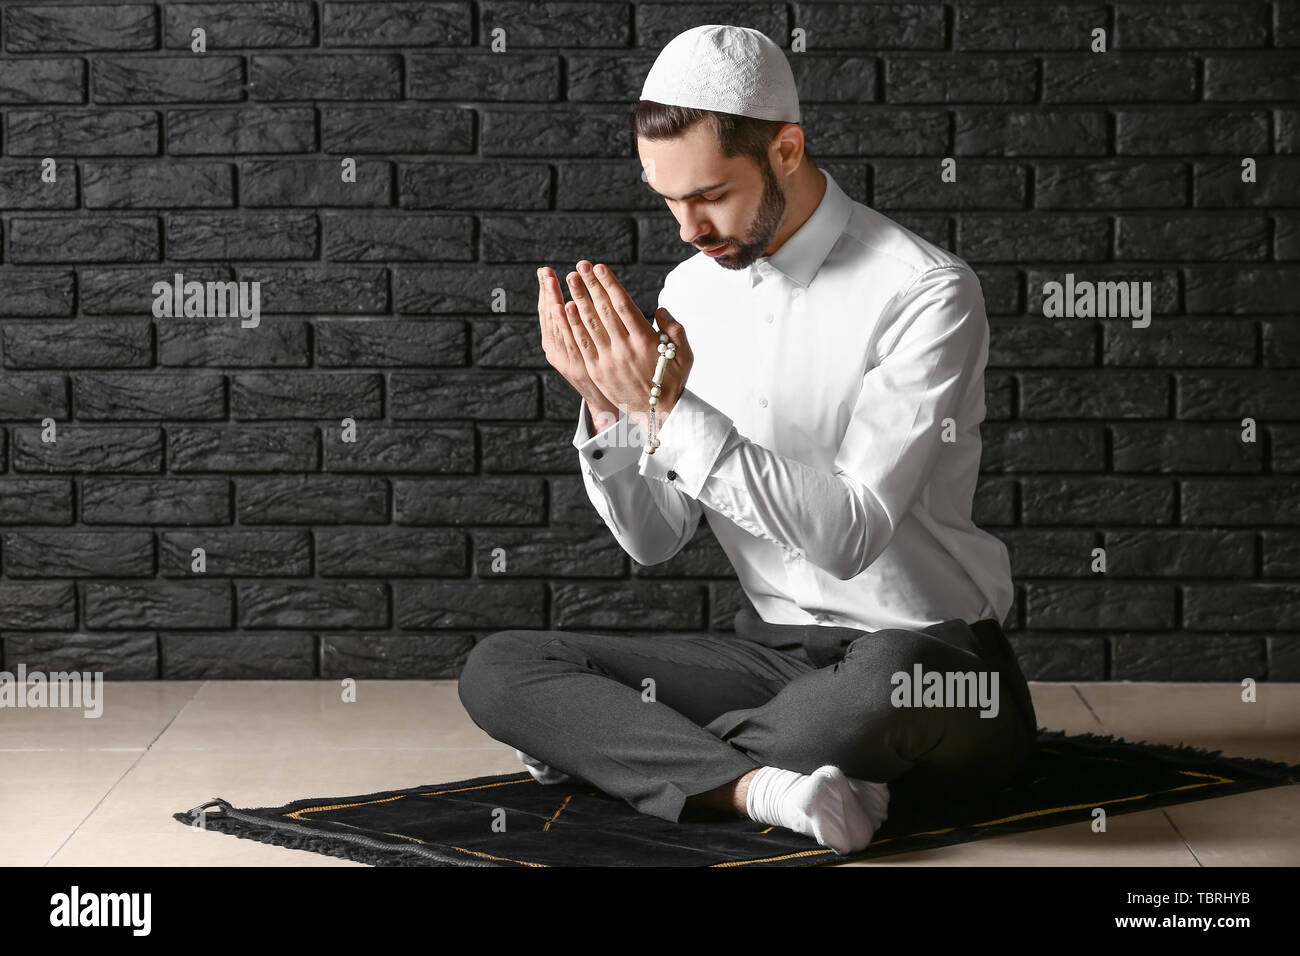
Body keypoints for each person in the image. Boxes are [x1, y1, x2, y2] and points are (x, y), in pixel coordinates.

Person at [457, 23, 1038, 856]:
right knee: (502, 666)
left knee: (880, 690)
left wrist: (666, 410)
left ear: (786, 150)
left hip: (931, 662)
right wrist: (608, 406)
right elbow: (656, 538)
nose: (688, 227)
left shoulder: (925, 290)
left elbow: (850, 535)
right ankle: (762, 786)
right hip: (771, 659)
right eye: (668, 199)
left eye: (710, 195)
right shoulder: (692, 289)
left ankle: (621, 751)